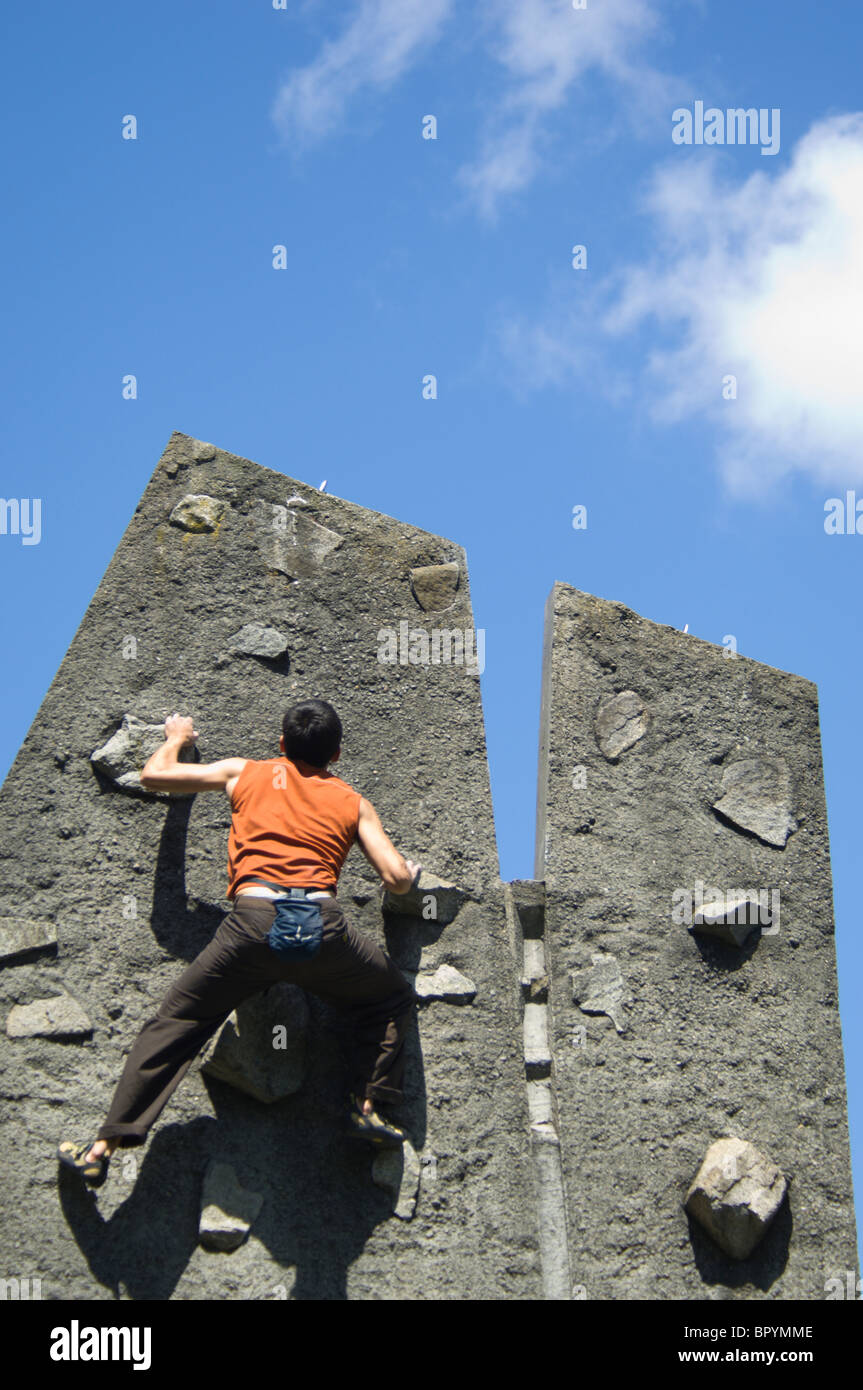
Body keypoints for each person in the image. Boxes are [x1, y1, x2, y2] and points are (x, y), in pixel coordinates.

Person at [58, 699, 420, 1187]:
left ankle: (102, 1147)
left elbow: (153, 776)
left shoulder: (242, 772)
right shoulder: (352, 802)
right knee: (390, 997)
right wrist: (409, 876)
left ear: (280, 744)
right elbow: (396, 879)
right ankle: (369, 1104)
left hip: (251, 926)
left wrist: (177, 737)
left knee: (179, 1023)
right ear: (335, 755)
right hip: (321, 929)